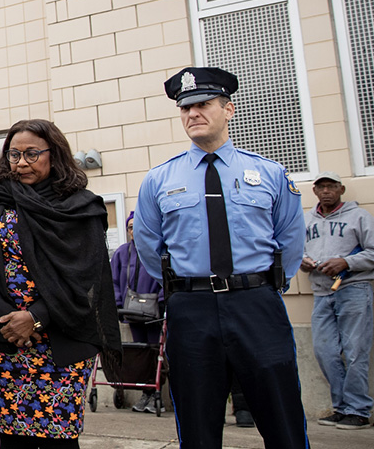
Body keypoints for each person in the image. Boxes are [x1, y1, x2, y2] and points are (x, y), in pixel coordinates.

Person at [133, 67, 308, 449]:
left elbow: (290, 240)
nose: (193, 114)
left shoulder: (269, 173)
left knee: (282, 418)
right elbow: (149, 246)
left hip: (256, 304)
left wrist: (264, 288)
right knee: (197, 422)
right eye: (185, 109)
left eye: (203, 104)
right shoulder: (159, 179)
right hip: (191, 307)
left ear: (228, 109)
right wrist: (183, 286)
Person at [0, 119, 121, 448]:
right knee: (12, 439)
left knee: (60, 441)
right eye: (14, 154)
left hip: (64, 336)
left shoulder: (80, 205)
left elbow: (87, 274)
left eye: (32, 154)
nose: (21, 162)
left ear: (55, 154)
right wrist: (7, 317)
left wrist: (35, 317)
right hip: (6, 339)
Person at [302, 171, 374, 430]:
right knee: (325, 352)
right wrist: (304, 262)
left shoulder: (359, 217)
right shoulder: (306, 220)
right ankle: (341, 407)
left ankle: (359, 411)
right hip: (321, 293)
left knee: (355, 351)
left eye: (331, 186)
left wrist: (346, 262)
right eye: (321, 187)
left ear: (341, 189)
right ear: (315, 191)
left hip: (354, 289)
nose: (326, 191)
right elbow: (298, 252)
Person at [110, 212, 164, 414]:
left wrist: (161, 301)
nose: (133, 231)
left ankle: (155, 392)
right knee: (139, 353)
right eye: (130, 227)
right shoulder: (122, 253)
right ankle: (145, 393)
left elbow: (164, 277)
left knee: (154, 352)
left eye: (136, 226)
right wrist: (117, 304)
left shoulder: (156, 251)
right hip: (131, 310)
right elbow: (114, 280)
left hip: (153, 312)